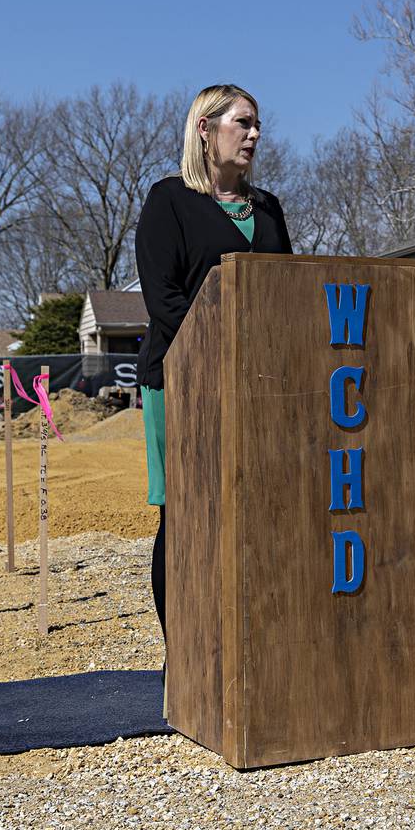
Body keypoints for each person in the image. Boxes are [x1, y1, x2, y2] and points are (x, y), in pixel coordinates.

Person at [135, 83, 293, 643]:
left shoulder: (269, 208)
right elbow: (164, 300)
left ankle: (247, 643)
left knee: (257, 509)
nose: (253, 135)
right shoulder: (169, 201)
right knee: (187, 516)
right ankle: (185, 654)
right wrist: (228, 349)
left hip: (260, 386)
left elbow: (288, 293)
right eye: (242, 123)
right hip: (183, 383)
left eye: (257, 126)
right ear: (205, 129)